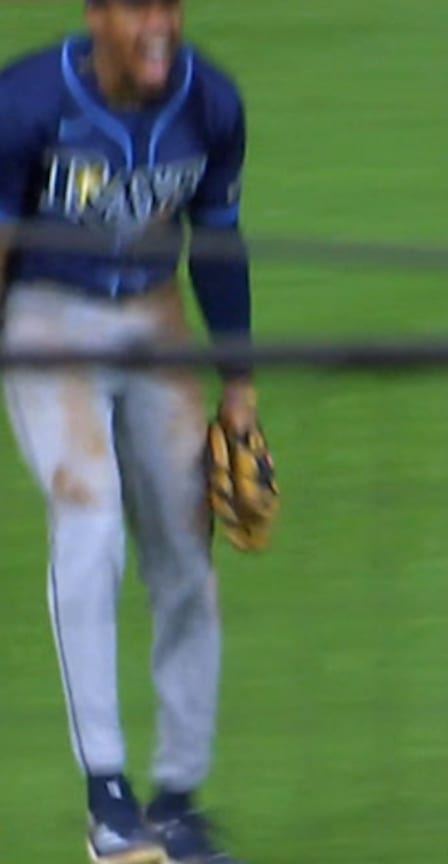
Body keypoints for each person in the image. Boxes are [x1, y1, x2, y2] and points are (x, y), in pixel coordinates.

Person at [0, 1, 258, 861]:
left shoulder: (211, 102)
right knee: (89, 518)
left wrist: (241, 386)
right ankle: (108, 798)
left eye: (169, 6)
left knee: (190, 546)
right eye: (138, 8)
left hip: (157, 319)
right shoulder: (27, 100)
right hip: (46, 318)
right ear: (97, 14)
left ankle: (178, 798)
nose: (159, 25)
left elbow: (217, 242)